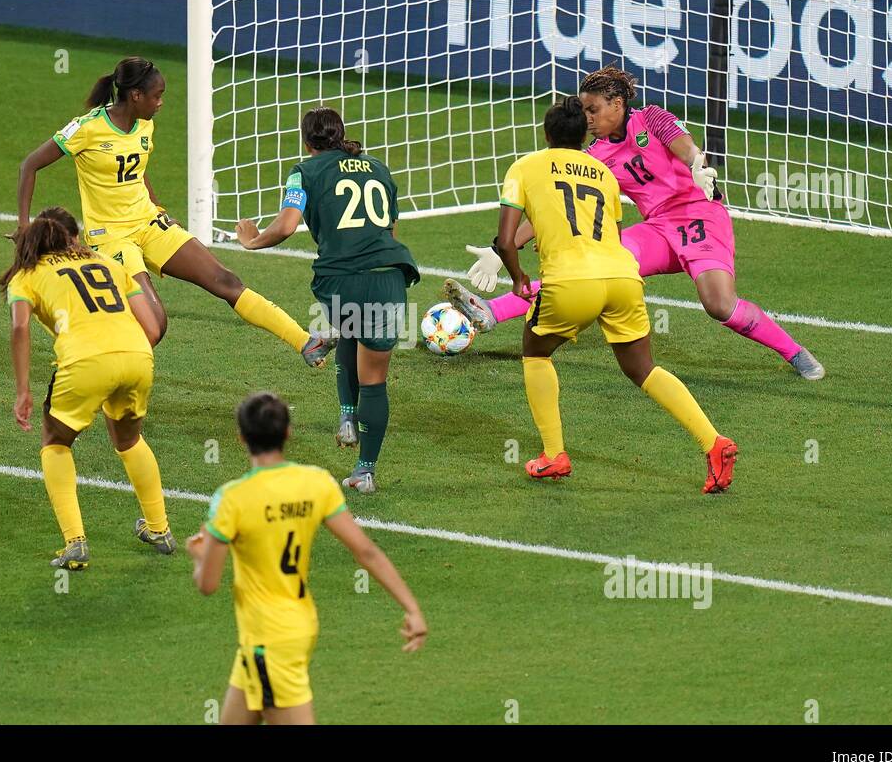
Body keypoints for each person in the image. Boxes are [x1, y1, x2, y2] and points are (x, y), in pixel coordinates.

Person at [448, 65, 824, 382]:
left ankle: (795, 352)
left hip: (700, 218)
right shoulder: (594, 155)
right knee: (586, 266)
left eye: (594, 109)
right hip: (657, 228)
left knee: (719, 304)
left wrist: (697, 163)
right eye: (584, 111)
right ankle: (491, 311)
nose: (588, 119)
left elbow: (684, 144)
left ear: (618, 103)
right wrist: (503, 247)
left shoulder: (651, 118)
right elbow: (554, 204)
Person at [17, 56, 334, 367]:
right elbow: (29, 165)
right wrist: (23, 225)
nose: (161, 103)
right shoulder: (87, 128)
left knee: (225, 280)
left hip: (149, 224)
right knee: (154, 327)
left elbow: (138, 171)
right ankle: (89, 367)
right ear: (136, 95)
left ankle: (305, 342)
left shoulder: (144, 127)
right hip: (112, 238)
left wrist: (158, 209)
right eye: (157, 96)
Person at [492, 97, 737, 492]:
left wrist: (517, 275)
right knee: (644, 370)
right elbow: (605, 227)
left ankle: (554, 454)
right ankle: (714, 442)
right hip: (622, 278)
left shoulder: (525, 166)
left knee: (536, 352)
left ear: (546, 134)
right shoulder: (603, 174)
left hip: (571, 283)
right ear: (580, 134)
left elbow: (507, 240)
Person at [187, 392, 427, 725]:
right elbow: (366, 551)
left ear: (241, 437)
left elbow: (208, 584)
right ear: (288, 433)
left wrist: (199, 557)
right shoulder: (315, 483)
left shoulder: (231, 499)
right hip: (290, 628)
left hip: (269, 642)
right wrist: (412, 608)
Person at [235, 107, 420, 494]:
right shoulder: (379, 169)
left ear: (306, 141)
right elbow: (391, 230)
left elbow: (287, 224)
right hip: (389, 278)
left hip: (340, 280)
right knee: (375, 380)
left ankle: (347, 416)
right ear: (341, 135)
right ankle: (365, 471)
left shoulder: (303, 171)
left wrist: (252, 239)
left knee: (349, 325)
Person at [0, 208, 175, 569]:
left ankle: (75, 543)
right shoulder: (106, 262)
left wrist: (22, 389)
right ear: (71, 238)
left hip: (85, 362)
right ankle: (159, 528)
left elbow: (19, 328)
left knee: (56, 442)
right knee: (129, 441)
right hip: (137, 355)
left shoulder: (27, 275)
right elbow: (151, 326)